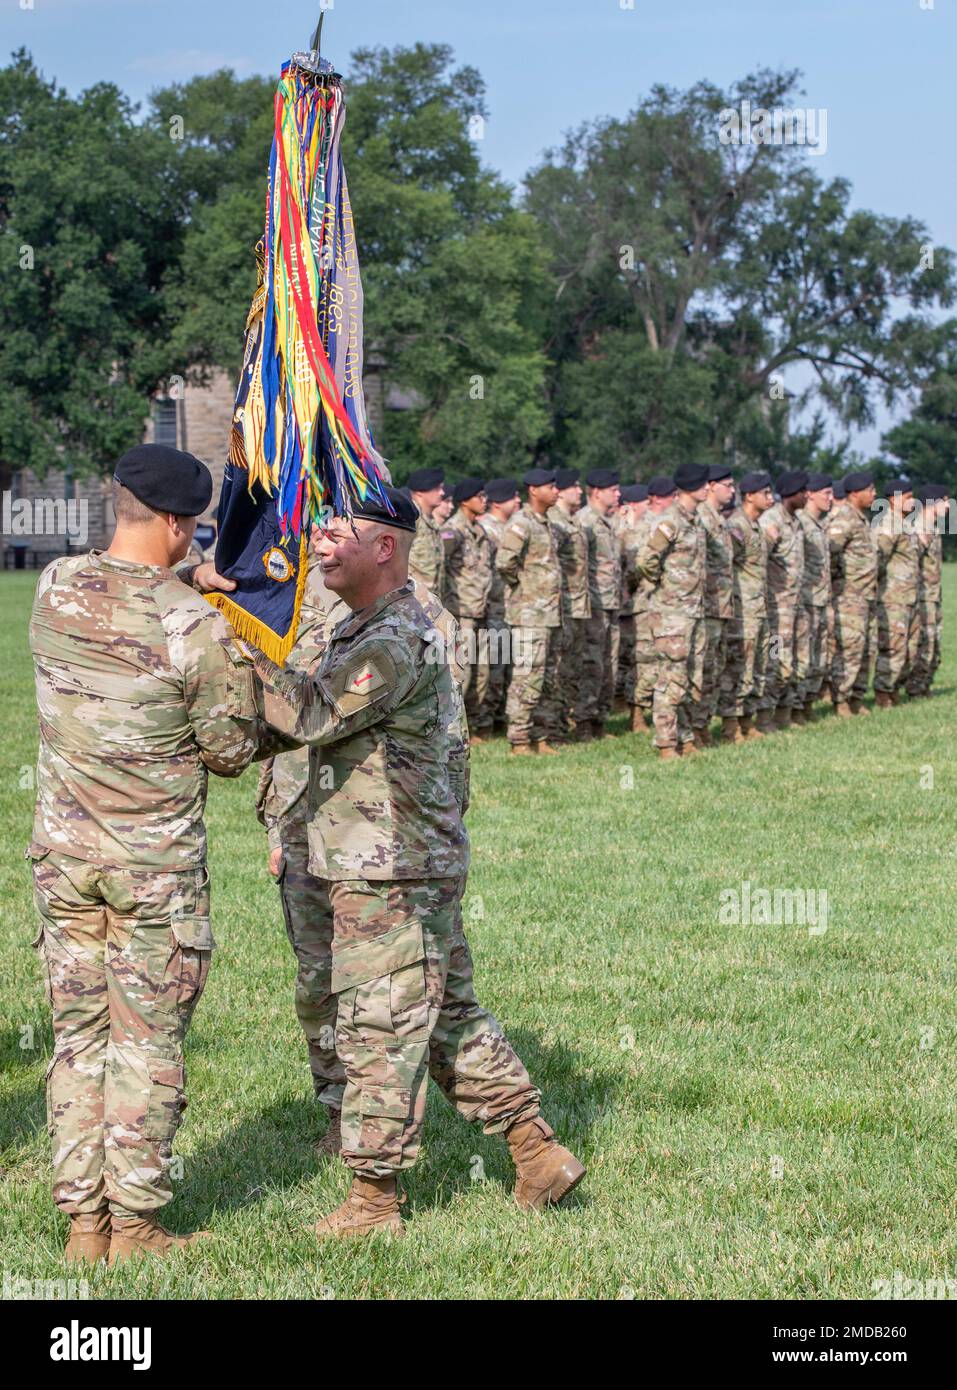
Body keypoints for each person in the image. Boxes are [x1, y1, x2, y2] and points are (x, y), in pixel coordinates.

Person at [244, 485, 585, 1238]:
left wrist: (232, 646)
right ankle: (535, 1152)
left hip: (389, 865)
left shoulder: (394, 635)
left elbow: (304, 715)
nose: (320, 544)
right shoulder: (367, 621)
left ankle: (374, 1202)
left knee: (381, 1025)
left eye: (337, 533)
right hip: (382, 853)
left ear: (386, 547)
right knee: (443, 1017)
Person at [27, 444, 263, 1265]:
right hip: (151, 876)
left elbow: (121, 597)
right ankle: (136, 1227)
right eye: (191, 532)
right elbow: (230, 750)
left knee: (78, 1039)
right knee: (145, 1045)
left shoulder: (55, 587)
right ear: (173, 524)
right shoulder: (189, 625)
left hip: (64, 863)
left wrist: (179, 582)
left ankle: (81, 1226)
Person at [635, 463, 709, 760]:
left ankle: (686, 738)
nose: (708, 487)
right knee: (671, 677)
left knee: (692, 678)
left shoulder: (696, 521)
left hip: (694, 611)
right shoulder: (671, 522)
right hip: (672, 613)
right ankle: (666, 743)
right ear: (691, 487)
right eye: (703, 483)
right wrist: (663, 587)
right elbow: (645, 560)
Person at [495, 469, 564, 755]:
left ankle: (541, 735)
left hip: (549, 614)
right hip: (529, 615)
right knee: (527, 676)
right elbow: (504, 562)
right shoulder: (521, 523)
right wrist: (524, 589)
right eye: (551, 486)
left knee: (547, 677)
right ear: (534, 490)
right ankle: (519, 739)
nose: (556, 491)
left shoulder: (545, 523)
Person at [718, 472, 773, 742]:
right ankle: (730, 726)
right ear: (750, 496)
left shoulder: (756, 527)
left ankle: (747, 721)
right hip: (743, 612)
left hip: (759, 608)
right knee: (739, 669)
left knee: (758, 667)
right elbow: (726, 567)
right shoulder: (736, 527)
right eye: (766, 493)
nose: (771, 498)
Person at [441, 479, 494, 737]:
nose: (484, 500)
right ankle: (454, 729)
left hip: (480, 611)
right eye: (480, 496)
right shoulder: (452, 531)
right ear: (465, 501)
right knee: (463, 672)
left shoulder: (479, 531)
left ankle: (472, 725)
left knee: (482, 671)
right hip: (460, 612)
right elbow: (441, 565)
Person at [757, 470, 807, 732]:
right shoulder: (770, 520)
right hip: (776, 611)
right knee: (776, 663)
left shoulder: (796, 521)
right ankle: (765, 718)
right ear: (791, 494)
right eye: (803, 491)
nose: (807, 495)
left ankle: (784, 715)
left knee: (797, 663)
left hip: (796, 608)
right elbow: (756, 563)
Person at [691, 466, 735, 747]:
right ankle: (694, 728)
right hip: (704, 608)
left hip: (721, 607)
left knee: (714, 671)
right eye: (727, 485)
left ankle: (703, 725)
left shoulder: (719, 519)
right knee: (701, 670)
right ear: (710, 487)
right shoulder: (701, 519)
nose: (732, 491)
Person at [828, 470, 878, 717]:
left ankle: (857, 697)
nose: (874, 494)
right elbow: (830, 554)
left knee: (866, 649)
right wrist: (840, 584)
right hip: (849, 597)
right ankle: (841, 700)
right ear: (855, 493)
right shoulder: (843, 519)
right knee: (849, 650)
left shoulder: (861, 518)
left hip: (866, 596)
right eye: (870, 490)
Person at [577, 469, 622, 737]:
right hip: (593, 603)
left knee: (608, 664)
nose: (618, 494)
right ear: (596, 492)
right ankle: (583, 722)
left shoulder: (607, 522)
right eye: (613, 489)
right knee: (591, 664)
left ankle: (599, 721)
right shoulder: (585, 522)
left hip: (610, 602)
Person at [548, 468, 591, 743]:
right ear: (561, 491)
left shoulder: (573, 522)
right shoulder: (554, 522)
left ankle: (564, 724)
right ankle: (552, 728)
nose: (580, 490)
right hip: (559, 606)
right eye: (574, 486)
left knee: (573, 668)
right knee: (558, 669)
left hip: (579, 605)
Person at [477, 478, 521, 736]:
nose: (518, 500)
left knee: (509, 666)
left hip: (510, 607)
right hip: (491, 608)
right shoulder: (486, 529)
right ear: (498, 501)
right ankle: (485, 722)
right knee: (492, 667)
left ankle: (502, 718)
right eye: (513, 496)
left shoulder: (512, 526)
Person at [873, 480, 920, 708]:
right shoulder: (887, 524)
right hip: (893, 598)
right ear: (893, 499)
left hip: (909, 597)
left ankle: (894, 689)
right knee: (892, 647)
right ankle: (883, 692)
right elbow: (878, 561)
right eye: (908, 497)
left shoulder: (905, 523)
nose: (913, 501)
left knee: (908, 648)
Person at [795, 473, 833, 721]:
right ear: (810, 494)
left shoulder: (819, 524)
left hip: (820, 601)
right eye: (826, 493)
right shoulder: (800, 523)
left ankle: (807, 704)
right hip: (803, 602)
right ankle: (794, 709)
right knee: (799, 658)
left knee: (818, 658)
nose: (831, 498)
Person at [907, 482, 948, 699]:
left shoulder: (932, 528)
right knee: (924, 642)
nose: (949, 506)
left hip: (933, 596)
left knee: (934, 643)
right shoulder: (917, 528)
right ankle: (915, 687)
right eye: (944, 501)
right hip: (921, 597)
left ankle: (923, 686)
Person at [407, 468, 446, 592]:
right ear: (420, 492)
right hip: (412, 600)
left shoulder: (432, 522)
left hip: (430, 600)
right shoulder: (411, 516)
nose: (442, 493)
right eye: (437, 488)